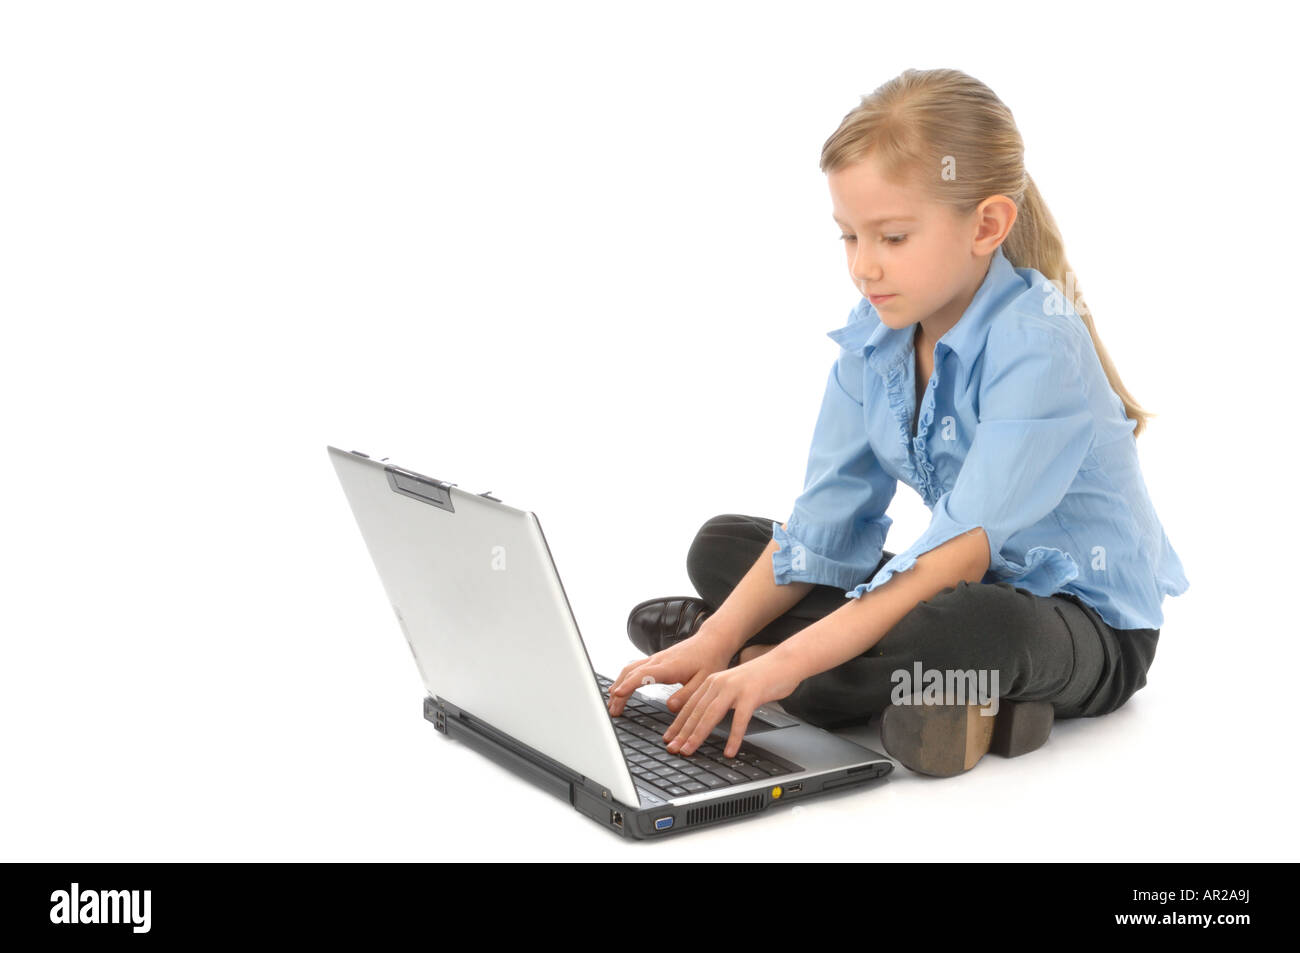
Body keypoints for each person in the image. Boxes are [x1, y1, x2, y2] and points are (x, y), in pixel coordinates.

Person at [604, 68, 1189, 778]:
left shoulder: (1039, 342)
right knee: (724, 546)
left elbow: (957, 559)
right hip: (953, 585)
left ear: (987, 225)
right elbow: (826, 524)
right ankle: (925, 692)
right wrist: (718, 633)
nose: (864, 267)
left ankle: (794, 676)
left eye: (892, 236)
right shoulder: (877, 334)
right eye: (849, 237)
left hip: (1082, 624)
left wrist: (770, 658)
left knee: (973, 626)